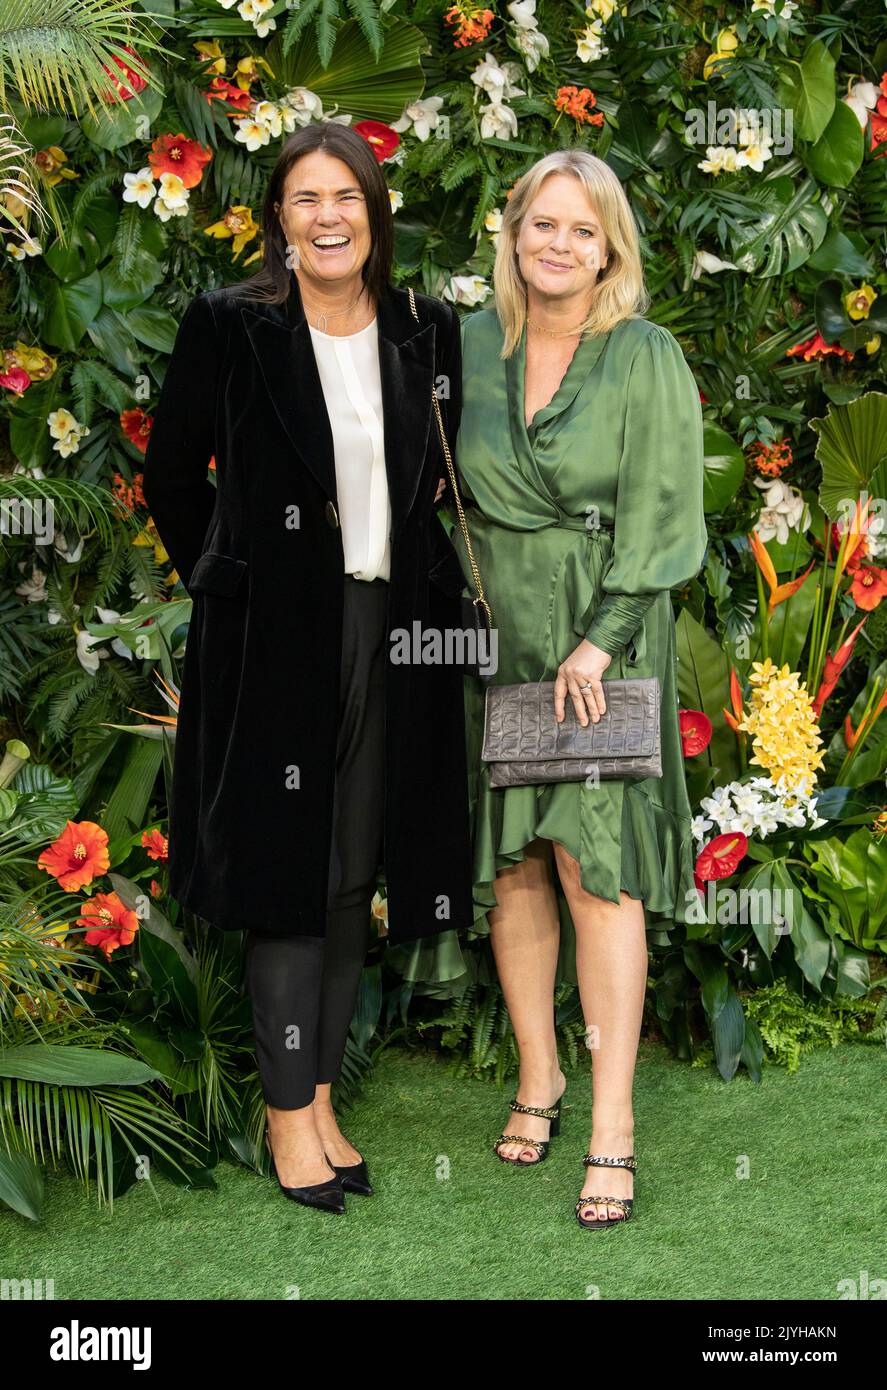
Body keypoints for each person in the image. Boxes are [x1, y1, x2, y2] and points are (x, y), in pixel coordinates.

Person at [142, 122, 473, 1215]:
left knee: (347, 875)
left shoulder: (427, 328)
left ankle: (321, 1096)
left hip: (390, 629)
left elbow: (431, 483)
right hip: (272, 640)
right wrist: (226, 579)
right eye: (303, 198)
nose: (327, 216)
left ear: (375, 213)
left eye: (347, 196)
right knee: (287, 875)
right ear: (276, 219)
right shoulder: (230, 326)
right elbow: (171, 477)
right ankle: (288, 1121)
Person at [450, 149, 707, 1228]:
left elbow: (665, 513)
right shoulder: (466, 343)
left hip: (600, 635)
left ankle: (610, 1125)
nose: (555, 244)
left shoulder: (643, 355)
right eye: (537, 224)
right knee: (517, 865)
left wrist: (599, 641)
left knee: (594, 870)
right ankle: (538, 1074)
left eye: (579, 229)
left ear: (610, 248)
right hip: (495, 633)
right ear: (511, 235)